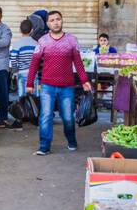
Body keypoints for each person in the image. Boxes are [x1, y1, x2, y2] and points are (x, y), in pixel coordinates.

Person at [26, 10, 91, 155]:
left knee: (68, 117)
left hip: (67, 87)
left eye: (58, 19)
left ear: (62, 21)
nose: (56, 22)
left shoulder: (72, 40)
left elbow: (78, 63)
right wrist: (29, 83)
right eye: (52, 20)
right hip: (47, 86)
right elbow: (34, 64)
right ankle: (44, 146)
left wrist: (85, 81)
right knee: (45, 116)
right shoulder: (42, 41)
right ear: (48, 24)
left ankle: (71, 140)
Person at [11, 19, 38, 97]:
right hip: (33, 75)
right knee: (34, 99)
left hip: (21, 73)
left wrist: (15, 72)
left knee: (22, 99)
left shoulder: (16, 44)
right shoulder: (36, 44)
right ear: (32, 30)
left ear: (20, 30)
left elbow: (13, 59)